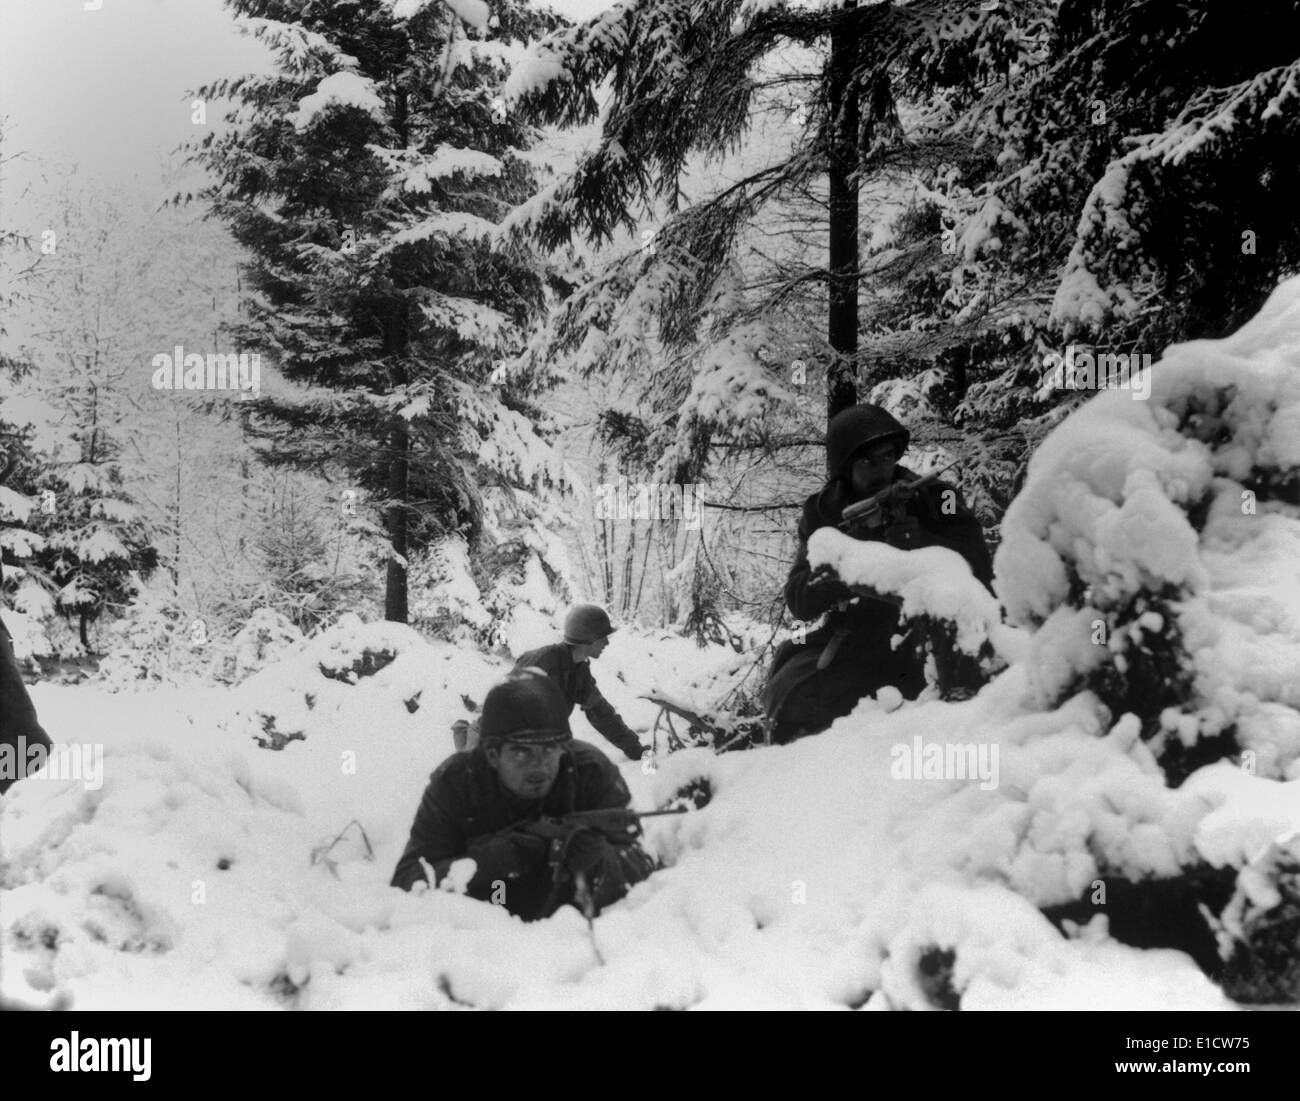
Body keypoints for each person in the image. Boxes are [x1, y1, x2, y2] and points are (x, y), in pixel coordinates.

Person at [764, 403, 994, 743]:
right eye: (868, 462)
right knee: (791, 695)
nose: (882, 470)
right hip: (857, 637)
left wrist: (922, 542)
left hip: (928, 633)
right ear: (845, 468)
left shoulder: (938, 497)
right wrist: (848, 559)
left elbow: (978, 565)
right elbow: (800, 597)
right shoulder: (822, 512)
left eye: (887, 457)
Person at [391, 670, 654, 921]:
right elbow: (409, 879)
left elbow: (642, 862)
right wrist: (489, 861)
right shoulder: (456, 783)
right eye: (521, 752)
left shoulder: (591, 772)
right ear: (493, 754)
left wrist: (598, 862)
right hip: (481, 929)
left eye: (550, 749)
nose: (539, 766)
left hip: (573, 931)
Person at [510, 604, 647, 761]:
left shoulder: (579, 670)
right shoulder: (542, 662)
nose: (607, 643)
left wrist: (637, 750)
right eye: (603, 637)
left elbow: (602, 714)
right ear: (588, 639)